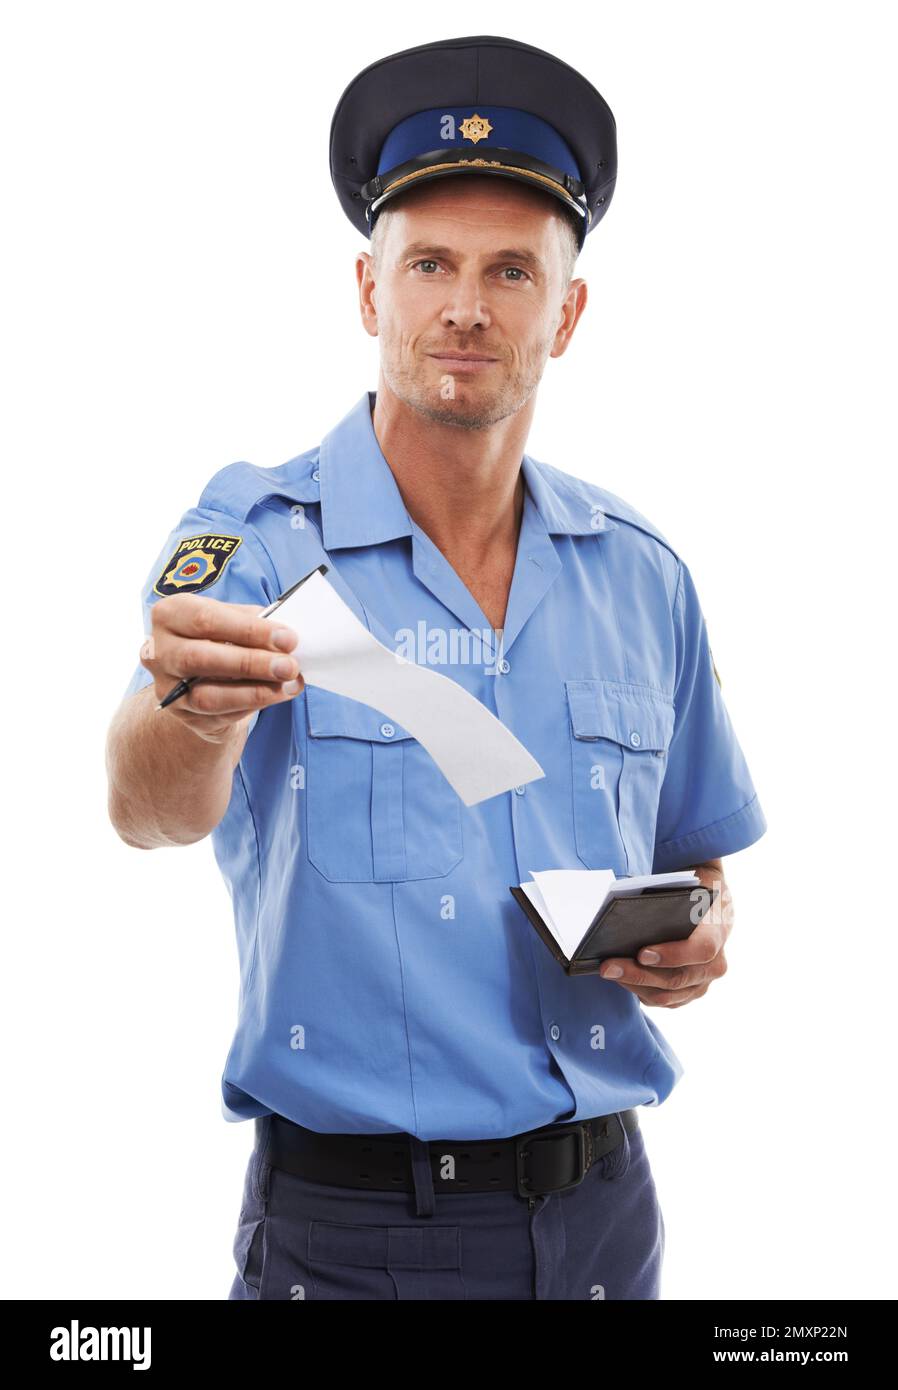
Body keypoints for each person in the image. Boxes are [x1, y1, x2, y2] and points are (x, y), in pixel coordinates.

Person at [106, 34, 767, 1300]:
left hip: (606, 1225)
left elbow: (696, 857)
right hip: (359, 1240)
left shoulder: (642, 574)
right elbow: (145, 810)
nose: (465, 306)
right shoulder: (254, 541)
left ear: (565, 312)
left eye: (511, 270)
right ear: (369, 292)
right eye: (430, 266)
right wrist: (187, 716)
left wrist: (700, 932)